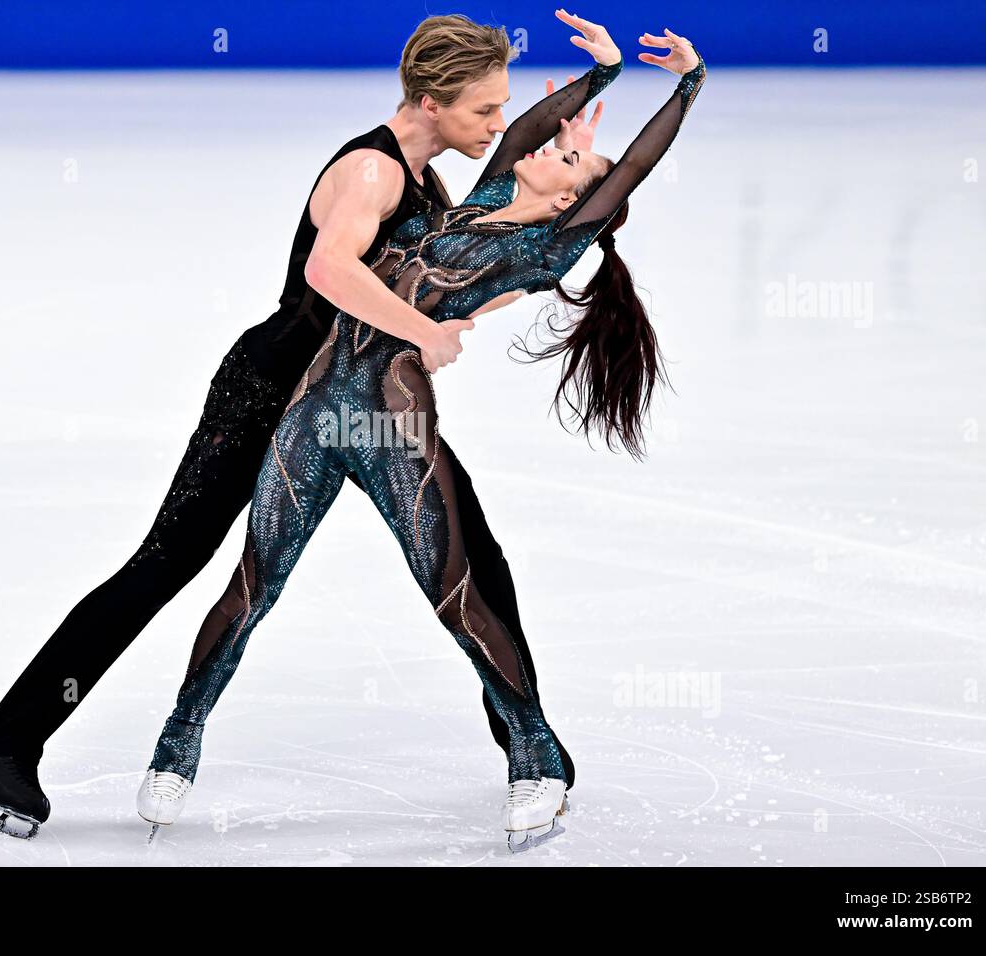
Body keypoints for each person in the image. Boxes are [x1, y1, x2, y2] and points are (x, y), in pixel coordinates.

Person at [0, 11, 591, 837]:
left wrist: (584, 118)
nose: (496, 126)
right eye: (481, 111)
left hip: (368, 399)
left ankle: (528, 744)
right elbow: (330, 269)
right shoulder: (371, 172)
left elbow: (478, 226)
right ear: (430, 101)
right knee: (167, 562)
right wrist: (424, 331)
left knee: (475, 554)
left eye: (502, 108)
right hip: (271, 390)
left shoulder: (428, 181)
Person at [136, 24, 706, 852]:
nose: (553, 147)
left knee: (456, 597)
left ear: (571, 203)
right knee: (254, 585)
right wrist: (601, 76)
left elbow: (632, 169)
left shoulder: (541, 245)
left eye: (575, 161)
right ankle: (176, 740)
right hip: (313, 413)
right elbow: (517, 132)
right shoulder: (479, 200)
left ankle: (535, 756)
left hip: (393, 427)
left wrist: (687, 85)